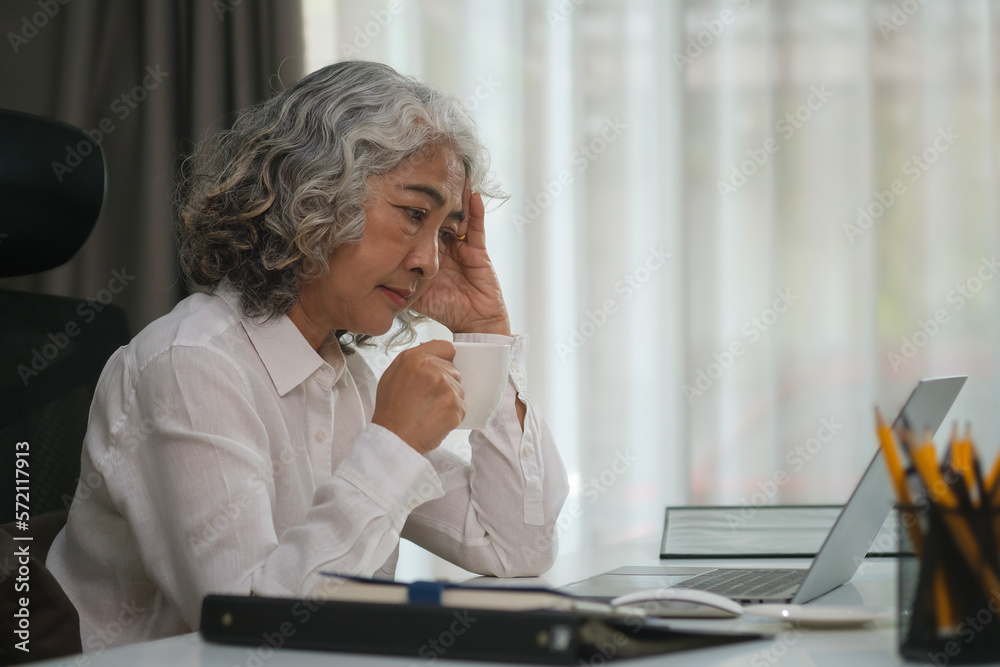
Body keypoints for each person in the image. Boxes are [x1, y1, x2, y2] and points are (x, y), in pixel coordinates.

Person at [46, 60, 569, 650]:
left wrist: (485, 334)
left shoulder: (352, 383)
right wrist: (394, 444)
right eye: (414, 215)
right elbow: (252, 627)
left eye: (447, 232)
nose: (430, 260)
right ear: (314, 193)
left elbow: (516, 546)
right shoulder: (189, 364)